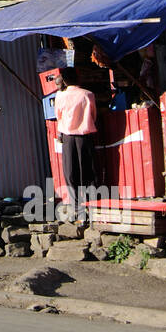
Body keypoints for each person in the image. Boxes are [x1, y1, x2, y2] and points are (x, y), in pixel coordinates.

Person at [54, 66, 99, 220]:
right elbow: (93, 115)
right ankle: (92, 205)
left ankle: (75, 208)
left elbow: (58, 116)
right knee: (88, 171)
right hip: (85, 137)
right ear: (77, 77)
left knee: (70, 172)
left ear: (64, 81)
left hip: (68, 138)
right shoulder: (88, 95)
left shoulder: (60, 97)